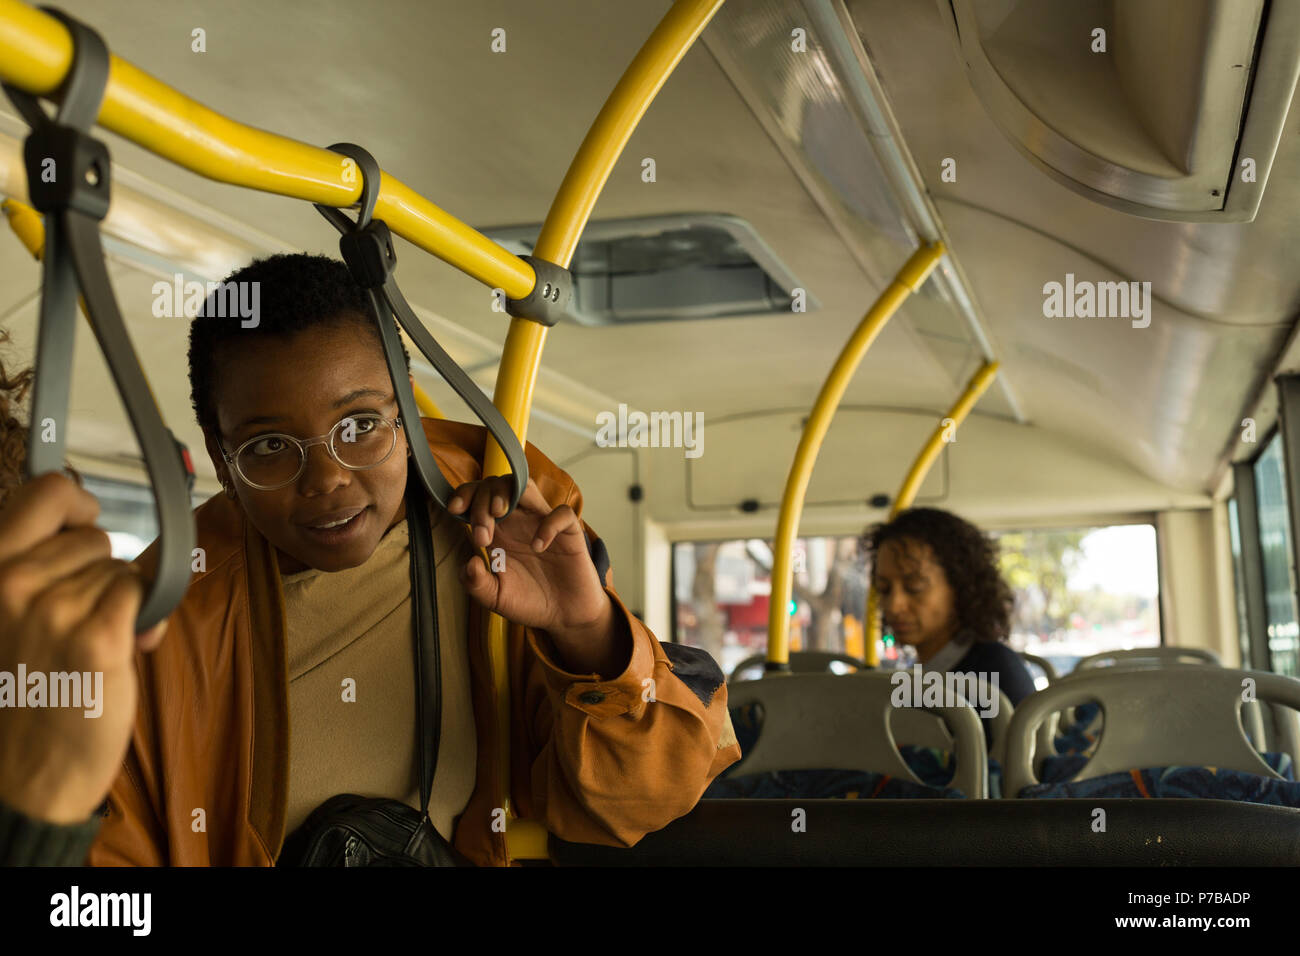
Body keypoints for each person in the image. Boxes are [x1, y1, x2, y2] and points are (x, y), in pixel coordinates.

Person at [81, 253, 738, 866]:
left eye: (359, 425)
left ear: (406, 415)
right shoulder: (157, 619)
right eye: (271, 446)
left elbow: (640, 804)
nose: (326, 479)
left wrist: (585, 632)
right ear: (221, 459)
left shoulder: (515, 526)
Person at [863, 507, 1036, 709]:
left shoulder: (995, 674)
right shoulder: (918, 674)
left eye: (914, 588)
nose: (894, 605)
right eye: (884, 589)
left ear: (960, 587)